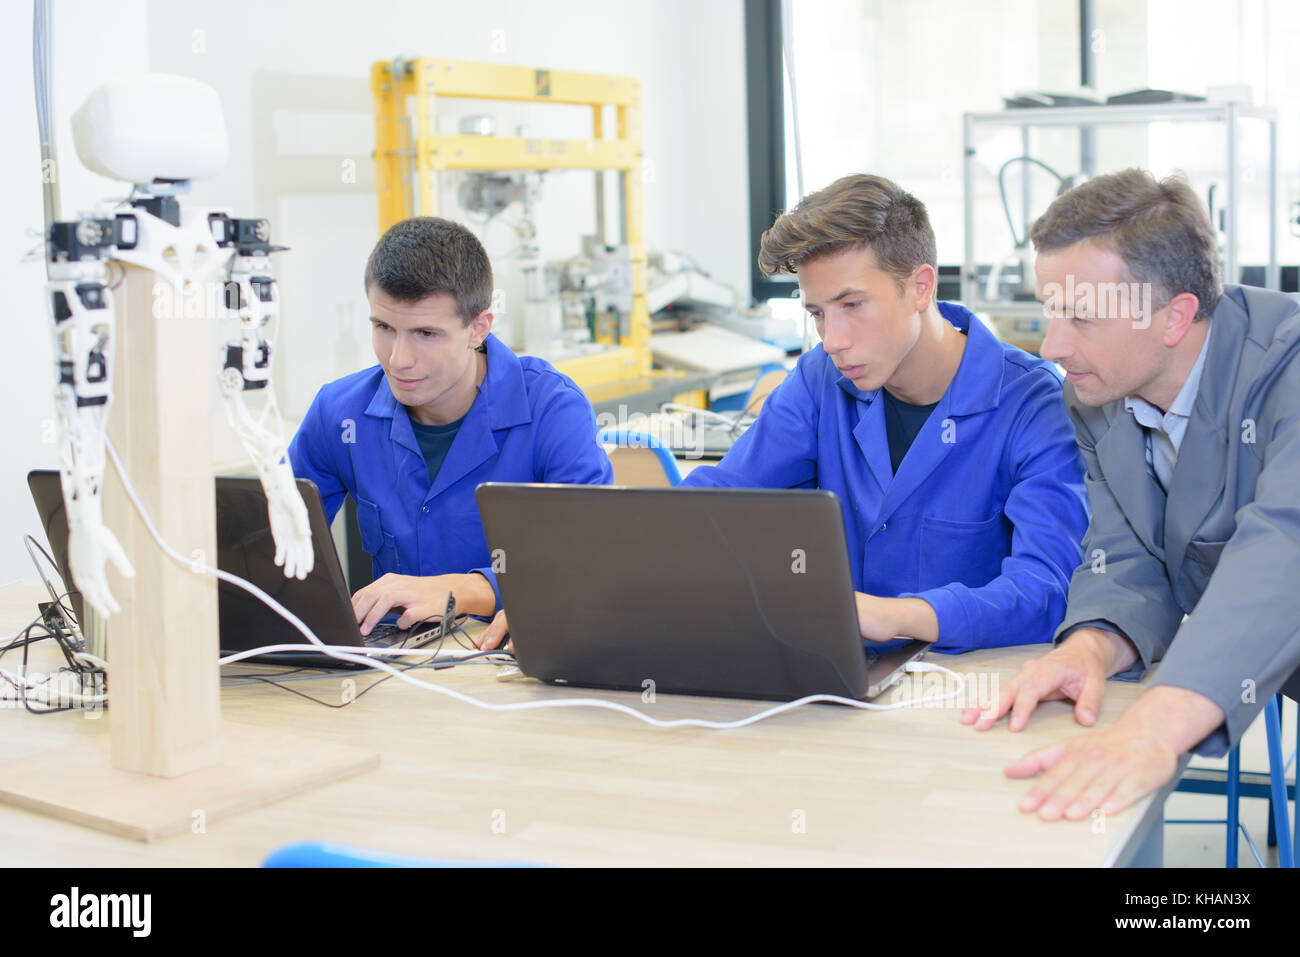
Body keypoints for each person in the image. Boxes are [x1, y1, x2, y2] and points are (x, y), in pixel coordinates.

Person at [963, 168, 1300, 821]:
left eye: (1080, 317)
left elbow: (1284, 549)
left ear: (1174, 316)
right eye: (1049, 311)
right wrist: (1090, 645)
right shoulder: (1098, 391)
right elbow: (1124, 554)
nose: (1052, 346)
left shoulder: (1287, 365)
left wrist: (1156, 723)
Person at [675, 173, 1089, 653]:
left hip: (963, 692)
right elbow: (726, 500)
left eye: (852, 305)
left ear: (920, 288)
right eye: (818, 314)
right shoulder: (819, 379)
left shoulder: (1032, 404)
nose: (833, 340)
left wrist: (892, 617)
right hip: (836, 683)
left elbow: (1047, 589)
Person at [289, 217, 612, 636]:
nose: (399, 359)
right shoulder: (340, 414)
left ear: (478, 328)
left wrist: (468, 589)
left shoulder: (552, 409)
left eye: (426, 333)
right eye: (384, 328)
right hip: (395, 670)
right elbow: (271, 540)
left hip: (510, 663)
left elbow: (594, 554)